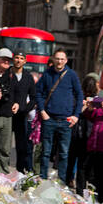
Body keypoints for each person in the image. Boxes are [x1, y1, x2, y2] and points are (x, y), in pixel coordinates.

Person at [36, 48, 83, 183]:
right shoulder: (47, 74)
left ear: (66, 61)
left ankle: (61, 182)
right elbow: (38, 93)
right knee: (45, 152)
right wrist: (42, 111)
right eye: (57, 58)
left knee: (63, 153)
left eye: (62, 59)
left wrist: (76, 115)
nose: (59, 61)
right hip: (49, 118)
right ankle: (43, 179)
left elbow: (79, 95)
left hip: (66, 120)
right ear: (53, 59)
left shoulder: (72, 75)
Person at [9, 50, 36, 171]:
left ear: (25, 61)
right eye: (16, 58)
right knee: (3, 145)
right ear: (13, 59)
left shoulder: (28, 77)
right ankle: (3, 170)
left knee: (21, 146)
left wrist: (25, 109)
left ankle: (20, 170)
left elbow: (34, 97)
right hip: (7, 115)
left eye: (21, 58)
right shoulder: (7, 74)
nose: (18, 60)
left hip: (21, 116)